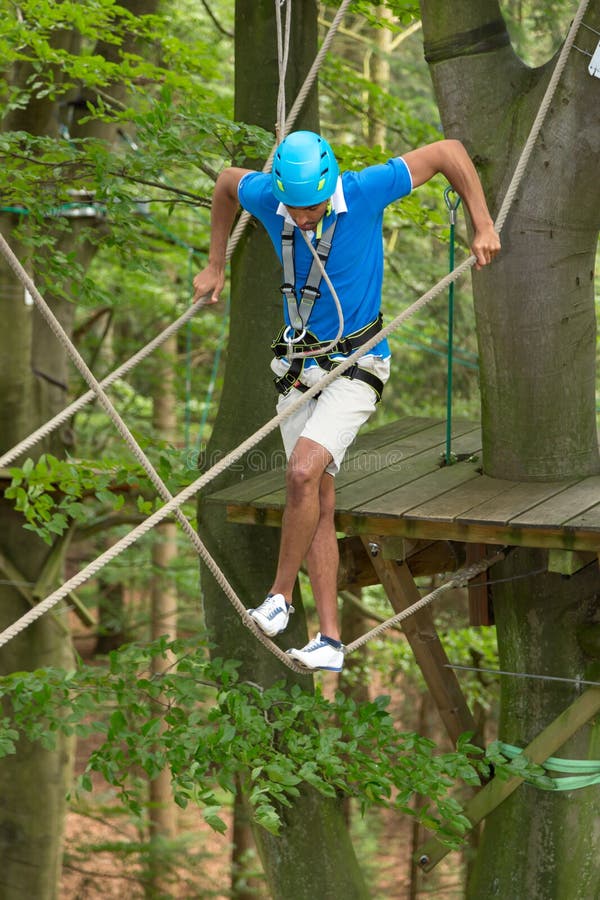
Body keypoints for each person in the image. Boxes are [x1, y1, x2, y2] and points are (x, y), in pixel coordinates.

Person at [193, 131, 500, 672]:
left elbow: (450, 151)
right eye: (295, 207)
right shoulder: (270, 196)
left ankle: (280, 598)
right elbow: (224, 184)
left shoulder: (363, 190)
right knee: (315, 501)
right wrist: (215, 264)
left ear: (329, 185)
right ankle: (330, 641)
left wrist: (482, 221)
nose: (304, 218)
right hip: (296, 370)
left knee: (300, 474)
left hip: (357, 366)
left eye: (311, 207)